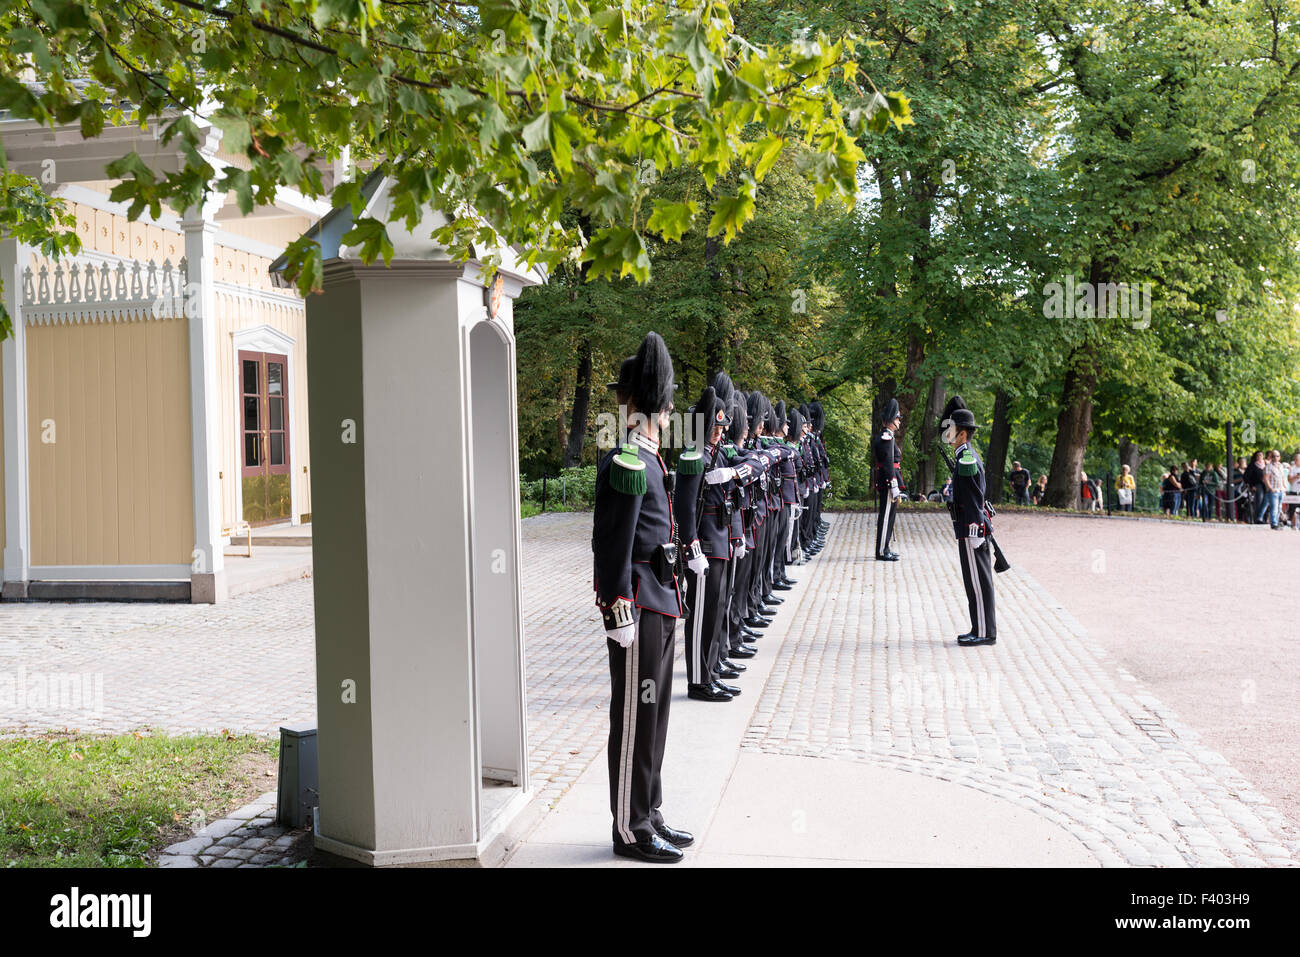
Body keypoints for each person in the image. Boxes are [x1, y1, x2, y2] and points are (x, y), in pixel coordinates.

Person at [591, 331, 690, 863]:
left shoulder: (649, 458)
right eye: (668, 406)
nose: (672, 415)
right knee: (633, 717)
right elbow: (613, 544)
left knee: (654, 716)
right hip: (640, 605)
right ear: (655, 406)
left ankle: (648, 810)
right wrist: (616, 607)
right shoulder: (628, 458)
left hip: (662, 600)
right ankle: (629, 828)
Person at [679, 384, 737, 702]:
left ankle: (710, 672)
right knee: (701, 614)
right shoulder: (693, 455)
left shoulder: (713, 453)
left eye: (721, 426)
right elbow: (685, 507)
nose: (719, 431)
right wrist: (692, 546)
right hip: (704, 544)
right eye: (714, 426)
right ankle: (698, 681)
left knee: (714, 612)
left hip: (719, 539)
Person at [939, 395, 996, 646]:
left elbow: (973, 499)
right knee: (973, 582)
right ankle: (979, 627)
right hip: (967, 526)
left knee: (978, 581)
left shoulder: (967, 458)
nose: (948, 435)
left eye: (952, 431)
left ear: (962, 434)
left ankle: (984, 632)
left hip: (971, 528)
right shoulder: (965, 455)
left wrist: (974, 530)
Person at [873, 398, 902, 561]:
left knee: (889, 516)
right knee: (885, 517)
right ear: (891, 420)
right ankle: (882, 550)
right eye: (897, 419)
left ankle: (886, 546)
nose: (899, 422)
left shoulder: (889, 436)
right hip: (887, 481)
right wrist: (893, 484)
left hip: (889, 480)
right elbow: (888, 463)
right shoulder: (886, 437)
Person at [1264, 449, 1287, 529]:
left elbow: (1282, 477)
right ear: (1271, 457)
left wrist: (1284, 487)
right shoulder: (1269, 466)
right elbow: (1266, 478)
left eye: (1277, 456)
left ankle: (1276, 522)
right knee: (1274, 507)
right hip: (1273, 490)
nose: (1275, 458)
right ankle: (1274, 524)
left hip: (1281, 490)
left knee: (1279, 507)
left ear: (1279, 457)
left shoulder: (1281, 466)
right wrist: (1270, 488)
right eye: (1273, 456)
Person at [1245, 451, 1267, 524]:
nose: (1259, 457)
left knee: (1266, 502)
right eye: (1258, 455)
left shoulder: (1266, 465)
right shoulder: (1252, 465)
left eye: (1261, 455)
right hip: (1258, 485)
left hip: (1266, 485)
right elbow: (1246, 477)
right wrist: (1252, 485)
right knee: (1259, 502)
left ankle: (1265, 518)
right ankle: (1258, 518)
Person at [1288, 452, 1300, 530]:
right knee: (1293, 510)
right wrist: (1296, 476)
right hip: (1294, 491)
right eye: (1296, 459)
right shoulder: (1292, 469)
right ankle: (1293, 526)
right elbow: (1289, 480)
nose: (1297, 461)